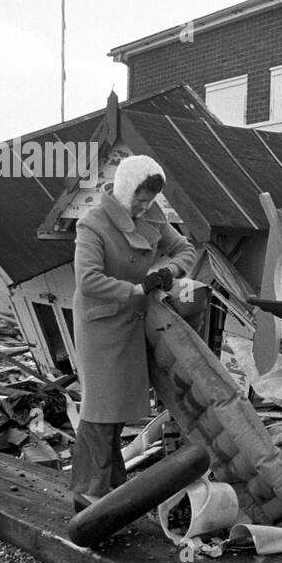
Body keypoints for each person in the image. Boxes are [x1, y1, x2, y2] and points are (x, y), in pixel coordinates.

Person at [69, 155, 197, 512]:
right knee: (99, 408)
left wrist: (170, 270)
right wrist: (137, 290)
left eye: (150, 198)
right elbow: (88, 280)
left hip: (132, 319)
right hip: (101, 321)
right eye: (140, 198)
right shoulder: (93, 224)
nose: (144, 205)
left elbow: (185, 249)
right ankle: (87, 489)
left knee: (117, 408)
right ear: (126, 190)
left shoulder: (152, 214)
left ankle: (110, 484)